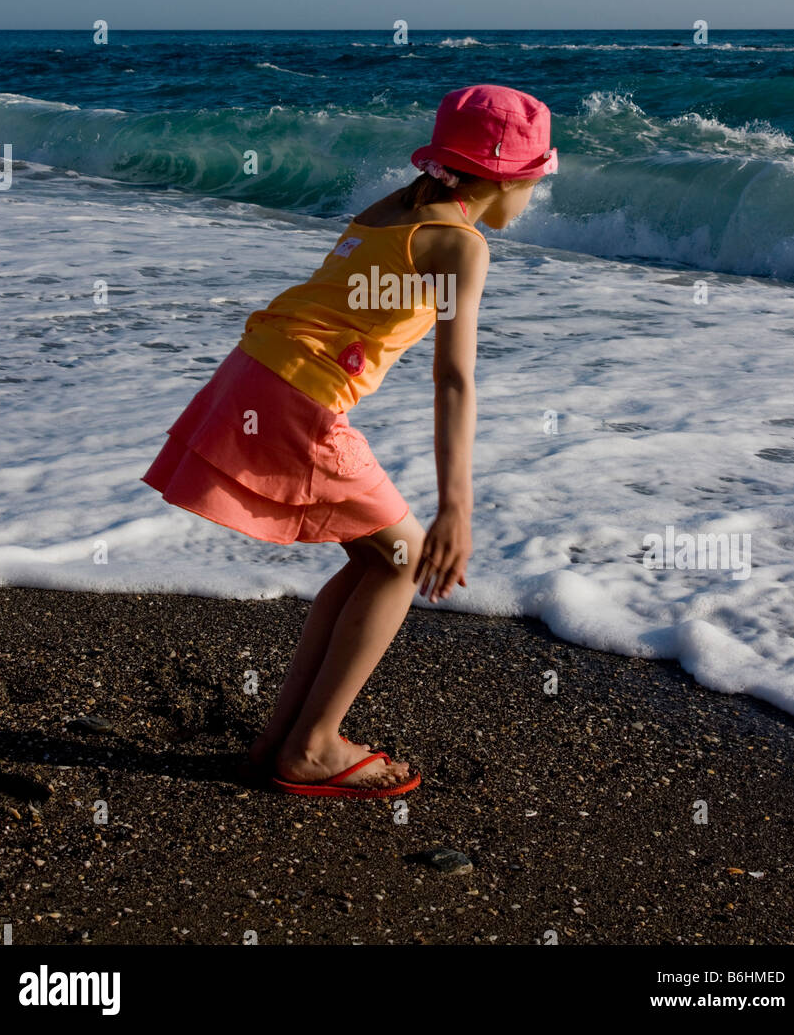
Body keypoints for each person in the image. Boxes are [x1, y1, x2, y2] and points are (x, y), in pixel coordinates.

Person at [142, 83, 558, 798]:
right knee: (404, 559)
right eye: (535, 179)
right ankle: (311, 747)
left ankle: (282, 738)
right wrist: (456, 507)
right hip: (296, 395)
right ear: (502, 177)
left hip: (256, 371)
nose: (535, 195)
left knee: (377, 556)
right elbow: (454, 378)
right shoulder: (462, 246)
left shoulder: (393, 208)